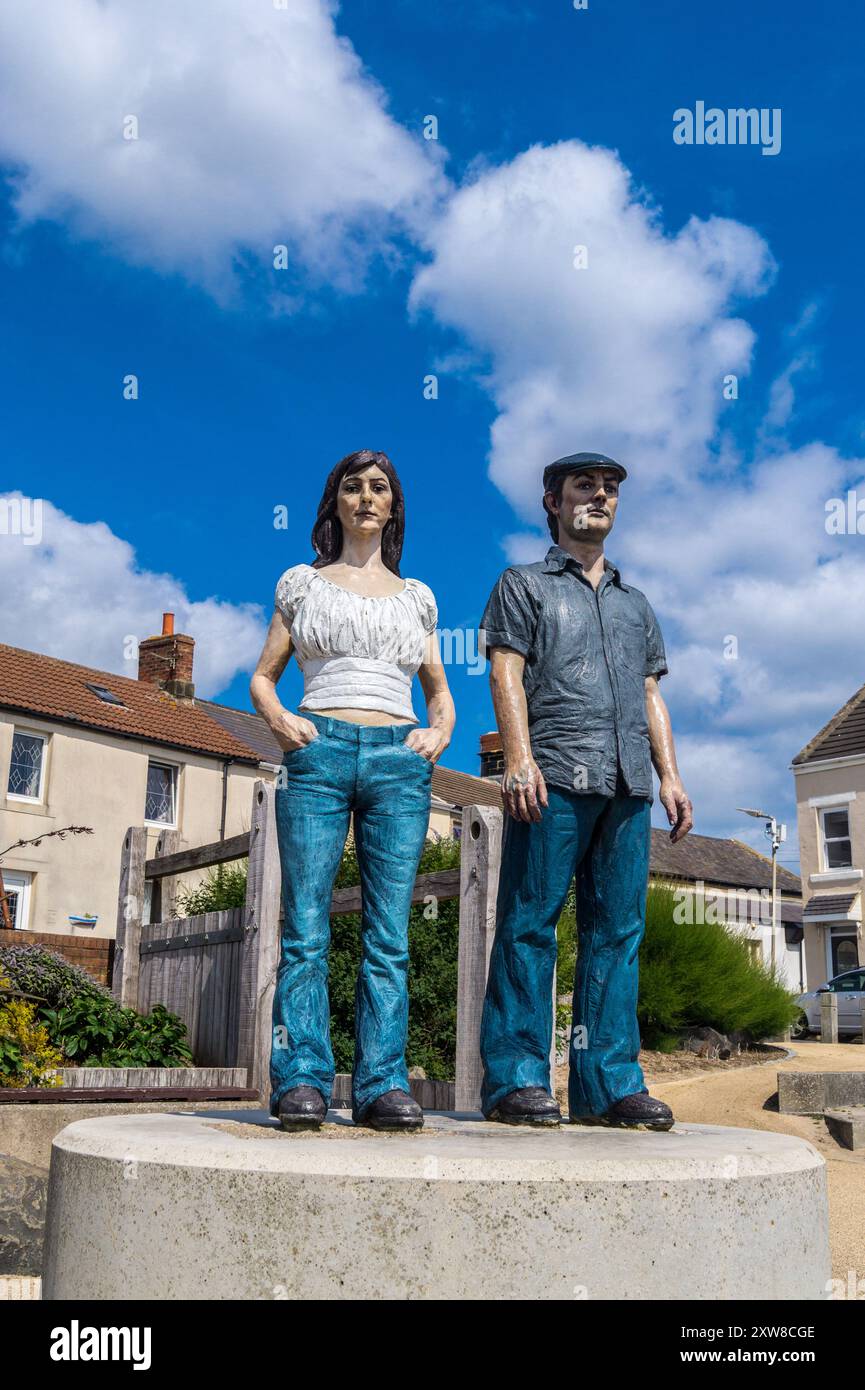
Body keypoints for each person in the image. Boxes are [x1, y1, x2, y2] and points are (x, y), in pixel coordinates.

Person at [478, 451, 693, 1130]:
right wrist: (518, 756)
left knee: (618, 933)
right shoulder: (523, 584)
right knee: (529, 925)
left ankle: (609, 1088)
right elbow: (505, 671)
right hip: (554, 775)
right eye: (583, 486)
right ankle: (514, 1081)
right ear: (552, 501)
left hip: (628, 783)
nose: (599, 496)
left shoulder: (636, 605)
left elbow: (650, 692)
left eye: (609, 489)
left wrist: (670, 776)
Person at [250, 449, 455, 1132]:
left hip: (398, 760)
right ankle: (300, 1081)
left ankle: (381, 1087)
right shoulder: (301, 585)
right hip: (320, 752)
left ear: (393, 505)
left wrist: (437, 734)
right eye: (352, 487)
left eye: (378, 488)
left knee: (388, 934)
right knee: (305, 928)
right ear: (334, 502)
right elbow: (262, 677)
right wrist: (282, 722)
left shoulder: (417, 597)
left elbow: (440, 695)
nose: (366, 497)